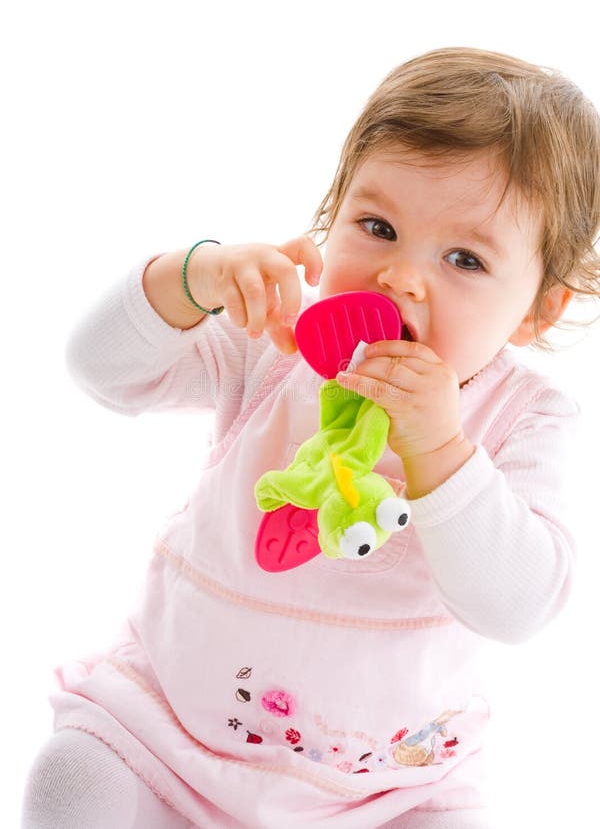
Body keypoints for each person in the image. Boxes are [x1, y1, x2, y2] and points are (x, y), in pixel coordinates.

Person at [21, 47, 600, 829]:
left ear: (539, 310)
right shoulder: (280, 347)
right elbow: (100, 371)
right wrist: (191, 281)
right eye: (378, 226)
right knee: (72, 773)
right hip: (167, 738)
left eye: (464, 258)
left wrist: (438, 451)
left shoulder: (524, 418)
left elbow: (519, 603)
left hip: (388, 790)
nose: (401, 277)